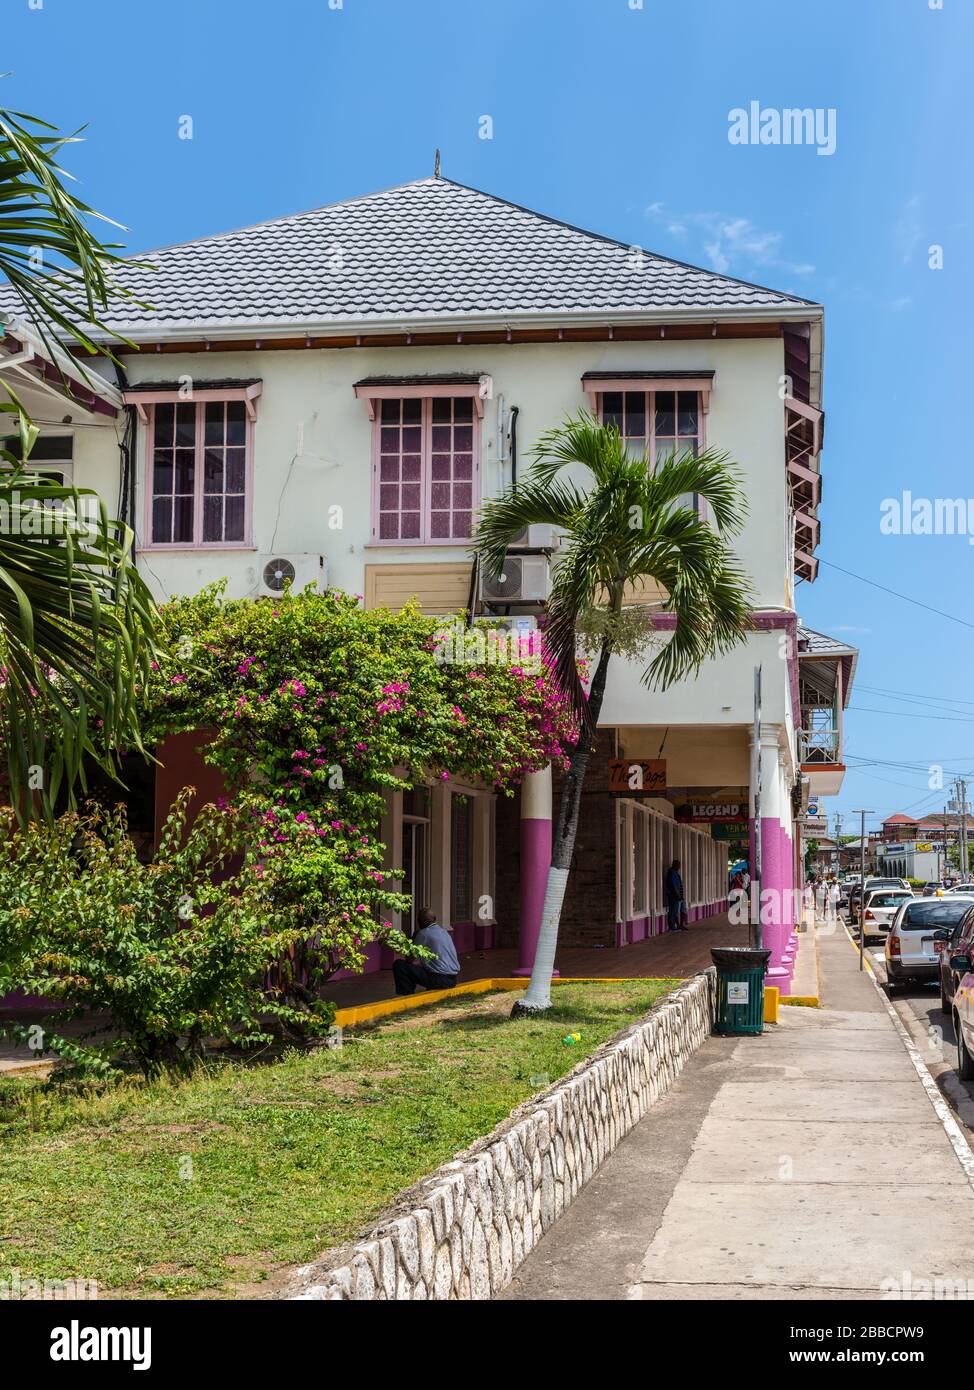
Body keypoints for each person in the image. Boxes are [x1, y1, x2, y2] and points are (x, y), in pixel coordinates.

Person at [392, 907, 461, 995]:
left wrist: (411, 942)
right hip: (453, 979)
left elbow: (410, 959)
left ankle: (406, 995)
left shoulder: (423, 933)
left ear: (419, 922)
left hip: (439, 980)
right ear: (435, 919)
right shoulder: (444, 932)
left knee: (399, 965)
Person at [665, 859, 688, 932]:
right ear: (674, 865)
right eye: (678, 865)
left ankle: (680, 925)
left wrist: (680, 896)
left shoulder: (676, 873)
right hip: (674, 896)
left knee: (683, 909)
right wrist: (677, 895)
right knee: (673, 911)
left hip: (680, 896)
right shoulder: (671, 873)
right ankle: (672, 927)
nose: (679, 866)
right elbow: (673, 885)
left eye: (680, 865)